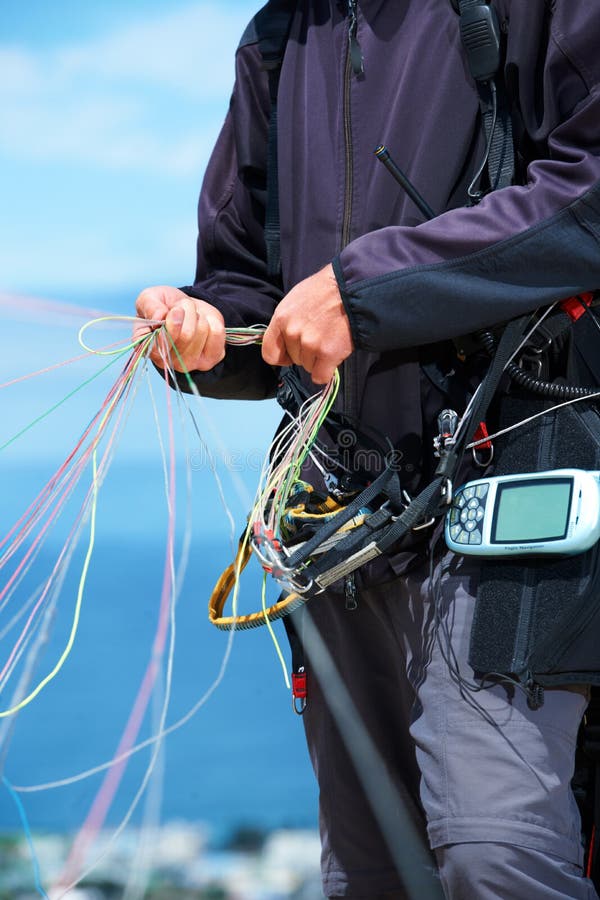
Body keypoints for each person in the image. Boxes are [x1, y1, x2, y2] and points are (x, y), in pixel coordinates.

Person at [136, 2, 600, 896]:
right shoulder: (279, 35)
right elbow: (251, 285)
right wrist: (202, 330)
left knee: (494, 848)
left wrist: (368, 292)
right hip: (339, 516)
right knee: (374, 871)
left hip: (520, 473)